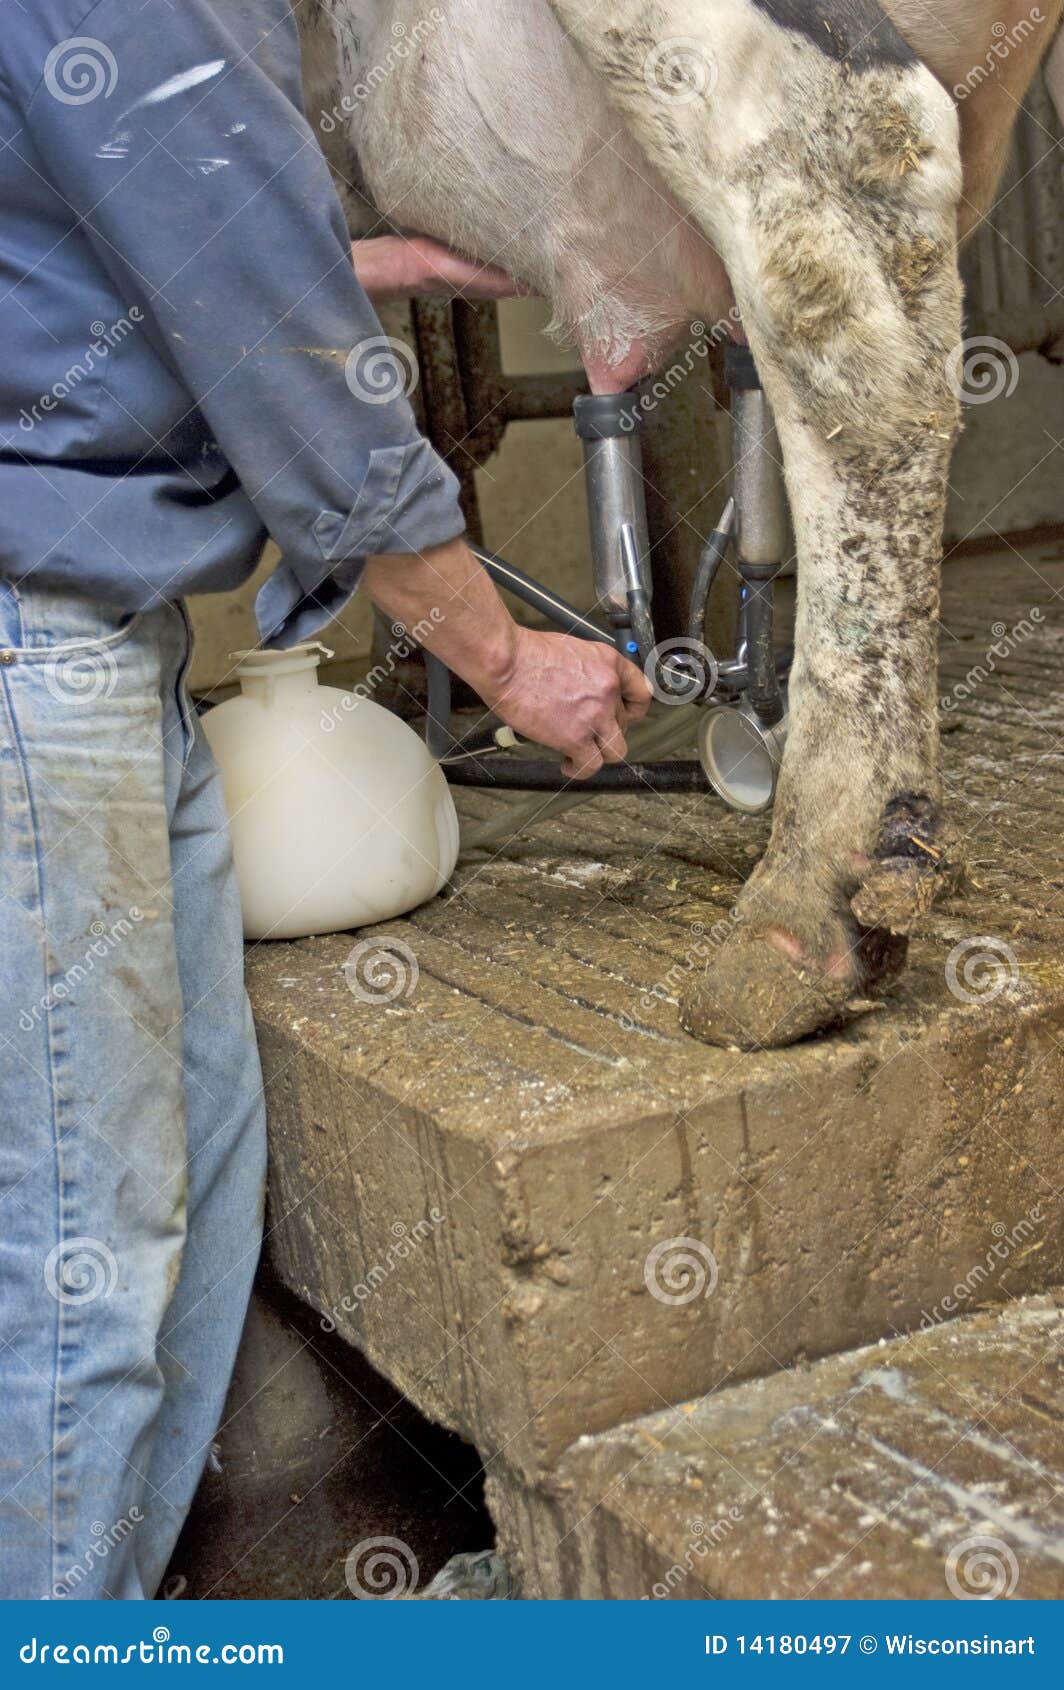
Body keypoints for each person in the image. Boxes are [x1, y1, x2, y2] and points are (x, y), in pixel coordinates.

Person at [0, 0, 651, 1600]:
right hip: (38, 654)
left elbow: (87, 247)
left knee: (194, 1163)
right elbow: (263, 337)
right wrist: (506, 657)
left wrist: (341, 262)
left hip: (99, 644)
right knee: (88, 1242)